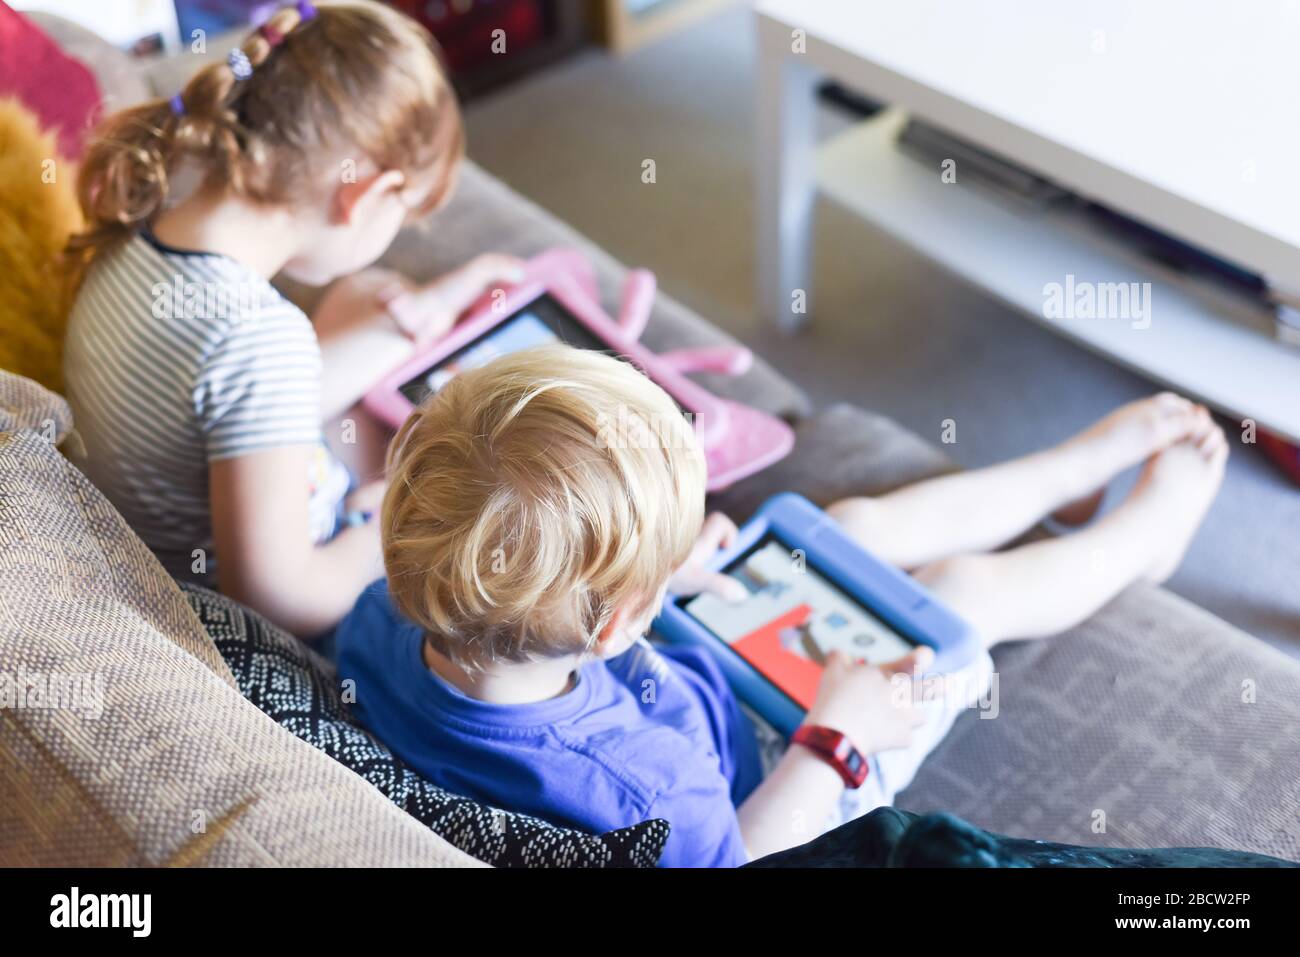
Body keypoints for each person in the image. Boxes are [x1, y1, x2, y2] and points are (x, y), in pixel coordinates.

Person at [336, 344, 1226, 865]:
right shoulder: (648, 794)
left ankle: (1064, 477)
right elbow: (751, 855)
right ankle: (1140, 542)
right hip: (789, 769)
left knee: (845, 527)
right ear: (613, 622)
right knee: (963, 596)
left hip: (665, 663)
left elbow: (520, 615)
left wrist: (649, 588)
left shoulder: (379, 611)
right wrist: (838, 736)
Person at [62, 0, 520, 636]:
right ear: (366, 195)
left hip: (183, 516)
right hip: (247, 614)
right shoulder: (259, 337)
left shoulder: (142, 228)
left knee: (376, 306)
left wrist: (442, 302)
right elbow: (277, 600)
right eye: (405, 215)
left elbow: (235, 398)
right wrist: (391, 522)